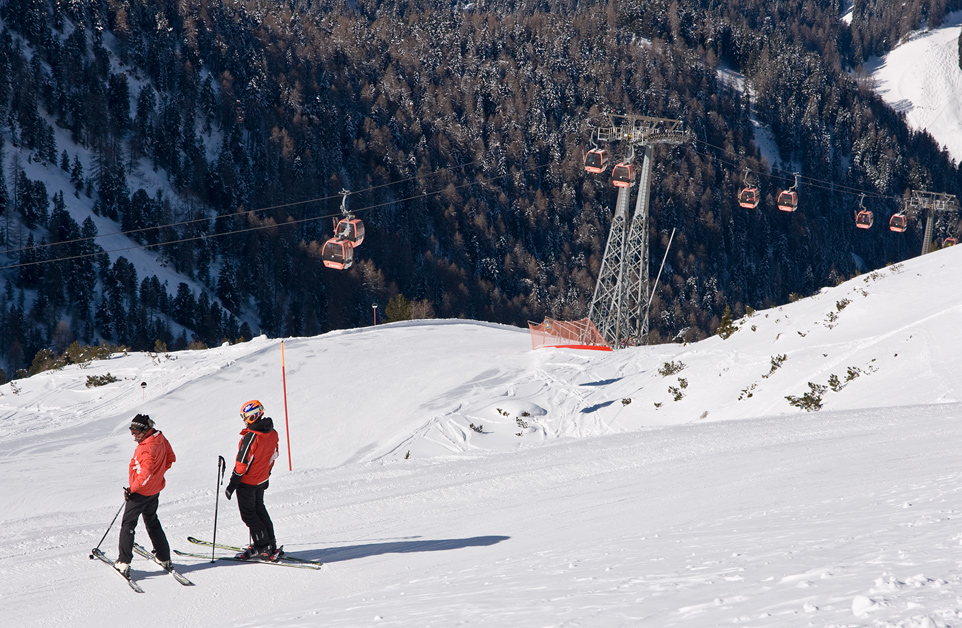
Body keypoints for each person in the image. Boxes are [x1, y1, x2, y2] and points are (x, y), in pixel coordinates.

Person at [115, 413, 176, 577]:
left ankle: (124, 562)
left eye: (136, 433)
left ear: (145, 430)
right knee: (152, 521)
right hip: (154, 490)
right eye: (131, 432)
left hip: (140, 492)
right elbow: (170, 458)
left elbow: (146, 474)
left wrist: (132, 489)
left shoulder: (146, 448)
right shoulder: (159, 438)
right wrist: (158, 476)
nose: (134, 437)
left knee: (128, 525)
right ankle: (164, 557)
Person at [225, 399, 281, 560]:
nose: (243, 420)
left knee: (249, 515)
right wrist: (266, 475)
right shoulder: (272, 432)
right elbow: (274, 456)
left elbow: (242, 463)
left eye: (244, 416)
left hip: (248, 482)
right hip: (260, 480)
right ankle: (270, 543)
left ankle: (263, 547)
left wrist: (233, 483)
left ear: (251, 416)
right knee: (259, 509)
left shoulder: (251, 437)